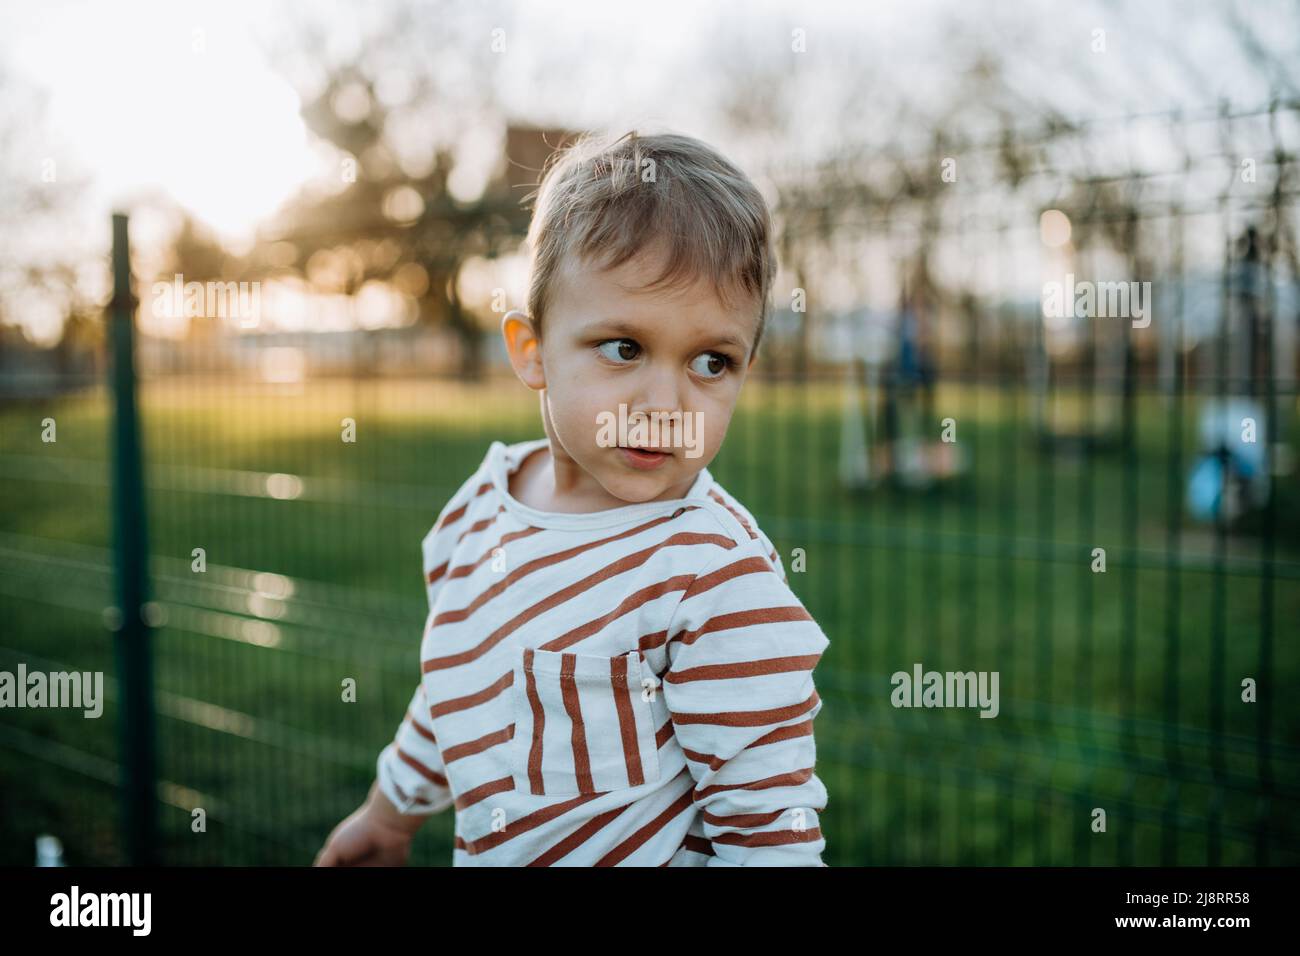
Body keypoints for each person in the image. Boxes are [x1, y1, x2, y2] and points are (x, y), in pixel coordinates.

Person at [315, 129, 831, 866]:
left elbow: (769, 831)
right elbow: (462, 685)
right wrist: (388, 815)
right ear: (533, 352)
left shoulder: (713, 573)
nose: (665, 402)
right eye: (624, 347)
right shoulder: (477, 513)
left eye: (711, 361)